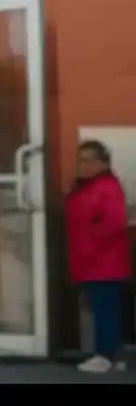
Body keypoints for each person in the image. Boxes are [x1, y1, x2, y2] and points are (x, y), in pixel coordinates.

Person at [66, 139, 131, 373]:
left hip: (103, 262)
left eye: (89, 160)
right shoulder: (86, 186)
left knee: (105, 309)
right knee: (102, 308)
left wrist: (89, 249)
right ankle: (113, 355)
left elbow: (113, 224)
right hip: (92, 261)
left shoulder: (106, 187)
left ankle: (105, 356)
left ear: (103, 163)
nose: (83, 165)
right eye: (80, 160)